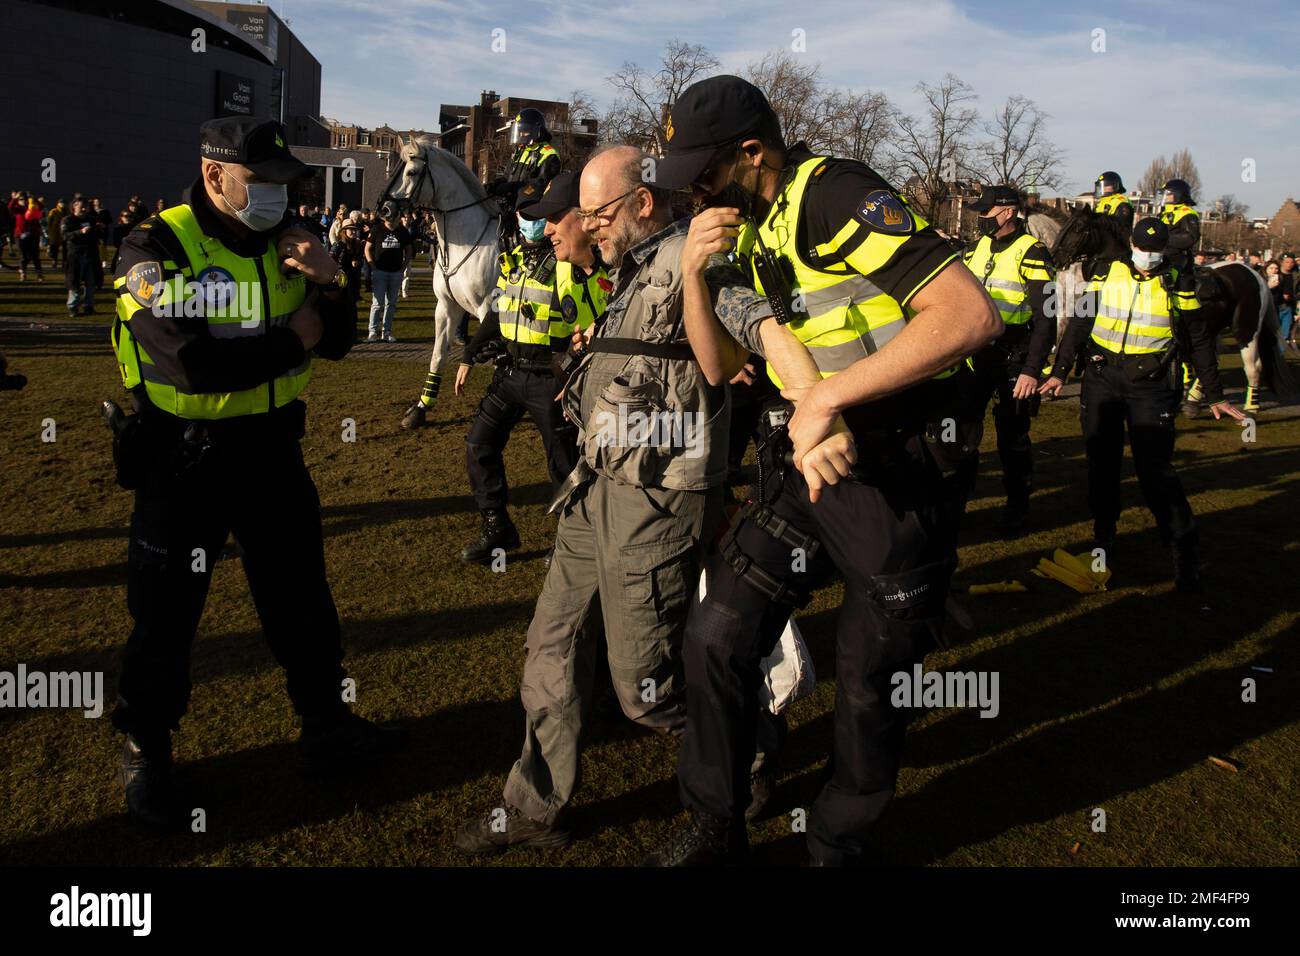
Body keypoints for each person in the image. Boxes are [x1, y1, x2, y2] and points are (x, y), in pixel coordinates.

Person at [640, 75, 1000, 866]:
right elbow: (716, 363)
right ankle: (714, 819)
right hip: (805, 462)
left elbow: (971, 314)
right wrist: (697, 276)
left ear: (751, 152)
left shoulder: (834, 193)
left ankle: (840, 842)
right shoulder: (750, 226)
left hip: (899, 468)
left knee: (871, 682)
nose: (694, 195)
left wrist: (824, 399)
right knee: (714, 637)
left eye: (702, 175)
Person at [453, 144, 780, 855]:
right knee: (552, 651)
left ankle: (748, 740)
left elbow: (752, 338)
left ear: (642, 202)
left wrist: (817, 397)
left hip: (657, 501)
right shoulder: (629, 271)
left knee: (647, 688)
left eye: (598, 213)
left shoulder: (696, 255)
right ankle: (535, 804)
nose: (586, 226)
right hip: (594, 489)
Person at [107, 117, 391, 833]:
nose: (280, 198)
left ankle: (325, 726)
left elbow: (340, 345)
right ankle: (147, 751)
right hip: (183, 458)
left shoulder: (286, 239)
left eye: (286, 185)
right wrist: (296, 334)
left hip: (271, 452)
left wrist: (331, 279)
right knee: (166, 615)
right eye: (263, 184)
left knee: (301, 597)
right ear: (214, 176)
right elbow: (194, 363)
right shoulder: (155, 246)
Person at [1039, 218, 1245, 593]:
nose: (1147, 257)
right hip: (1102, 380)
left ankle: (1183, 552)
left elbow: (1199, 340)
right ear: (1130, 245)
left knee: (1155, 473)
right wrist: (1059, 372)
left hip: (1151, 386)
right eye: (1142, 249)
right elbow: (1080, 325)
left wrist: (1215, 394)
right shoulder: (1104, 272)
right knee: (1102, 467)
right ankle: (1104, 539)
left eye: (1155, 251)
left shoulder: (1178, 282)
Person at [453, 173, 608, 563]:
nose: (531, 221)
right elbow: (499, 311)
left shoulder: (567, 259)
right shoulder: (514, 259)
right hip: (509, 374)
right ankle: (497, 526)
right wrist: (470, 354)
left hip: (550, 377)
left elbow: (598, 297)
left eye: (538, 213)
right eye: (523, 213)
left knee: (562, 463)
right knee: (479, 443)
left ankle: (574, 542)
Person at [961, 184, 1058, 531]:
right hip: (977, 354)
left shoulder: (1032, 252)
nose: (980, 219)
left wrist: (1033, 370)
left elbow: (1047, 318)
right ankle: (961, 499)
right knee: (963, 429)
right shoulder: (976, 248)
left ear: (1007, 212)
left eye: (985, 213)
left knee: (1012, 436)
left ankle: (1018, 504)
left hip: (1014, 357)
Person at [364, 201, 410, 342]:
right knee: (377, 303)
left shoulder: (402, 231)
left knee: (391, 303)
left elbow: (408, 250)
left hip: (396, 272)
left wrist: (403, 267)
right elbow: (367, 248)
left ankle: (386, 332)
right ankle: (372, 331)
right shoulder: (377, 229)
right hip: (380, 272)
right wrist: (373, 266)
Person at [62, 197, 102, 315]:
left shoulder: (92, 220)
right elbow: (65, 236)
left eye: (86, 206)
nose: (84, 209)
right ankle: (73, 307)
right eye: (81, 206)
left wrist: (99, 229)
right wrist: (80, 232)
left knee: (91, 282)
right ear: (74, 206)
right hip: (75, 256)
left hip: (90, 254)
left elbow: (98, 235)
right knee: (74, 282)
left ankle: (89, 306)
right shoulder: (68, 220)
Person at [1158, 179, 1199, 274]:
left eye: (1168, 194)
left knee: (1171, 282)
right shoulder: (1164, 213)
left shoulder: (1187, 213)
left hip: (1177, 259)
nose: (1164, 197)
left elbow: (1190, 237)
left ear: (1177, 195)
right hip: (1161, 256)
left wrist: (1163, 239)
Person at [330, 219, 365, 304]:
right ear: (344, 231)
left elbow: (360, 258)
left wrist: (357, 261)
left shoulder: (358, 244)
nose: (353, 232)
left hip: (354, 278)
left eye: (354, 230)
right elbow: (330, 260)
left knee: (352, 302)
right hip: (341, 278)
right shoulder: (338, 245)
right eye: (350, 230)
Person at [16, 196, 44, 281]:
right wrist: (14, 198)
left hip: (33, 234)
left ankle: (39, 274)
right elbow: (10, 207)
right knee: (23, 256)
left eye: (24, 199)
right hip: (20, 235)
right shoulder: (17, 210)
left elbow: (41, 207)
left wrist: (33, 199)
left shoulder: (33, 208)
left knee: (35, 255)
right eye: (21, 200)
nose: (23, 201)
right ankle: (23, 274)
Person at [1277, 252, 1295, 347]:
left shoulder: (1295, 276)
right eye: (1287, 262)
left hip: (1288, 308)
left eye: (1291, 262)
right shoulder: (1276, 274)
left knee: (1284, 335)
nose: (1289, 264)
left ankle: (1279, 356)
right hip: (1275, 307)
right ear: (1282, 262)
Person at [46, 198, 66, 268]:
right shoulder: (53, 211)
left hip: (63, 233)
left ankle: (64, 262)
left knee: (65, 248)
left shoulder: (66, 212)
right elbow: (49, 222)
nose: (62, 204)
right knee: (54, 248)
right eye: (61, 203)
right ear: (58, 203)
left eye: (63, 203)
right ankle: (54, 262)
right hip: (55, 233)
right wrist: (50, 232)